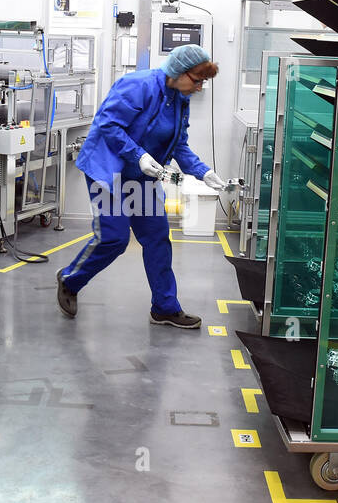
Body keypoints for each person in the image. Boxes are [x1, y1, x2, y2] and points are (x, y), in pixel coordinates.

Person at [56, 43, 226, 328]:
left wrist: (204, 171)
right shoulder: (137, 85)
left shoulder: (180, 98)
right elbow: (108, 125)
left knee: (157, 238)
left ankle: (164, 307)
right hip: (108, 171)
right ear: (179, 72)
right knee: (114, 238)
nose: (198, 88)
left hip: (143, 177)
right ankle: (70, 279)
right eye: (197, 81)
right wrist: (140, 155)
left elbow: (178, 144)